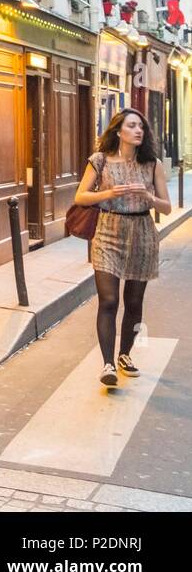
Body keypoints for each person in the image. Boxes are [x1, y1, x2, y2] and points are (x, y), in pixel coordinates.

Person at [74, 108, 172, 386]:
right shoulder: (100, 161)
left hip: (142, 234)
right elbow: (80, 196)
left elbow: (165, 207)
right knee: (109, 300)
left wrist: (148, 196)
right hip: (107, 231)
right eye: (132, 126)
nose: (139, 130)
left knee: (133, 302)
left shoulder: (152, 164)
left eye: (141, 126)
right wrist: (108, 193)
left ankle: (125, 354)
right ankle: (107, 364)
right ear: (119, 131)